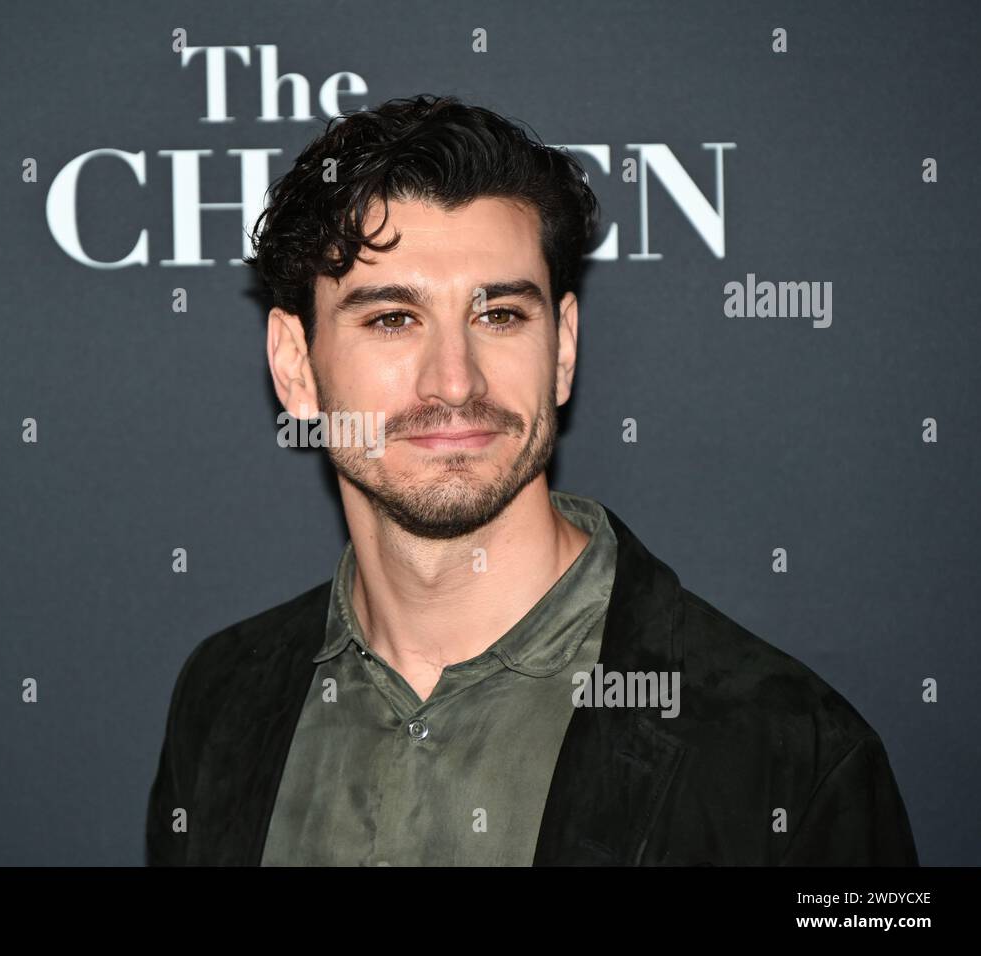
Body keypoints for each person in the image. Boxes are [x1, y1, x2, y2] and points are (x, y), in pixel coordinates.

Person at [145, 93, 918, 866]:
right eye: (391, 319)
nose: (453, 382)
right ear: (295, 368)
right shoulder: (222, 700)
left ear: (563, 347)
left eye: (501, 316)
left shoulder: (787, 757)